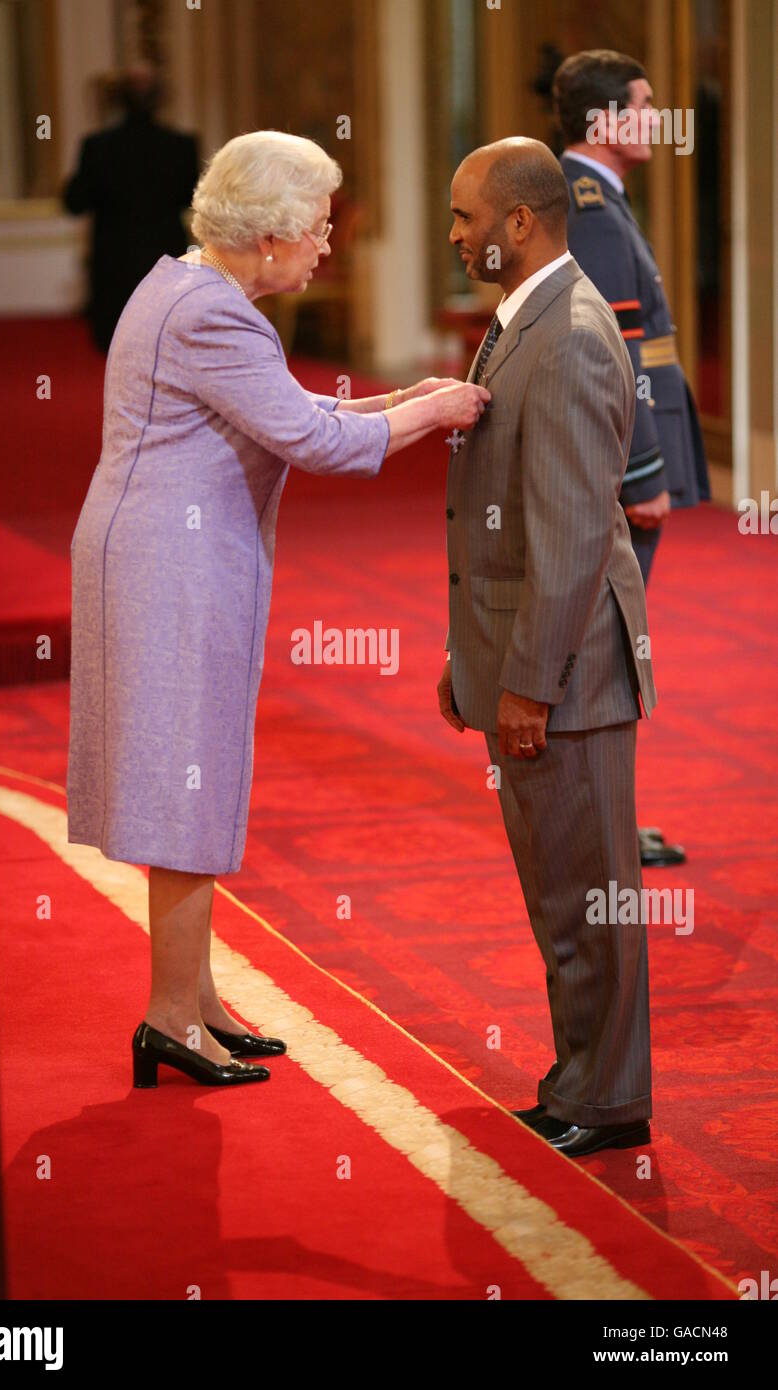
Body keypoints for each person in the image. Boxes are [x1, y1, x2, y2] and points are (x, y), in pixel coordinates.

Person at [67, 130, 489, 1091]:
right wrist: (439, 411)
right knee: (184, 786)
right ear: (272, 236)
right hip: (165, 566)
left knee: (195, 775)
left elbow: (287, 412)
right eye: (321, 230)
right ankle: (171, 1018)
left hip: (157, 554)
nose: (329, 247)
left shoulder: (189, 289)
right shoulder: (215, 316)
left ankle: (197, 998)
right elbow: (312, 440)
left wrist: (407, 394)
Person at [438, 137, 656, 1157]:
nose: (453, 235)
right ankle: (582, 1082)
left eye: (462, 218)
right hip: (537, 659)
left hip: (567, 674)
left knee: (584, 899)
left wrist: (525, 681)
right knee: (563, 891)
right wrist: (472, 661)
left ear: (517, 223)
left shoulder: (562, 332)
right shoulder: (526, 317)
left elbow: (569, 537)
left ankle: (603, 1101)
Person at [553, 49, 711, 868]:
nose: (658, 118)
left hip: (626, 464)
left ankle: (611, 819)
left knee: (616, 651)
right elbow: (617, 353)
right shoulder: (589, 207)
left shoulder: (598, 201)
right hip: (624, 472)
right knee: (609, 656)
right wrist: (645, 477)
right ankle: (601, 828)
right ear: (607, 121)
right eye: (646, 104)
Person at [63, 64, 200, 352]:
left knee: (114, 348)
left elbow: (74, 202)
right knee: (165, 342)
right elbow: (193, 199)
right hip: (163, 258)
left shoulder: (97, 146)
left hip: (113, 265)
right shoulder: (181, 146)